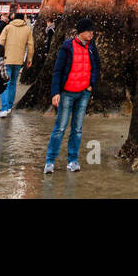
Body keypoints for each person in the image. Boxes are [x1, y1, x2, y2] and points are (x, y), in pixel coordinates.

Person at [45, 19, 100, 174]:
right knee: (60, 128)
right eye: (89, 30)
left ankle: (73, 160)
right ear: (81, 31)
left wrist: (91, 85)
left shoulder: (91, 46)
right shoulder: (67, 47)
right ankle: (50, 161)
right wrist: (55, 92)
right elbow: (58, 70)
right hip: (67, 92)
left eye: (92, 31)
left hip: (84, 92)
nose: (91, 33)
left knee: (77, 128)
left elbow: (97, 66)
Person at [0, 11, 35, 116]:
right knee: (13, 83)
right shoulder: (27, 29)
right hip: (19, 60)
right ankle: (9, 106)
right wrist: (29, 59)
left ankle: (4, 108)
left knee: (6, 84)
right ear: (23, 19)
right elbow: (30, 45)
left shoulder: (8, 27)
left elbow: (0, 42)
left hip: (6, 58)